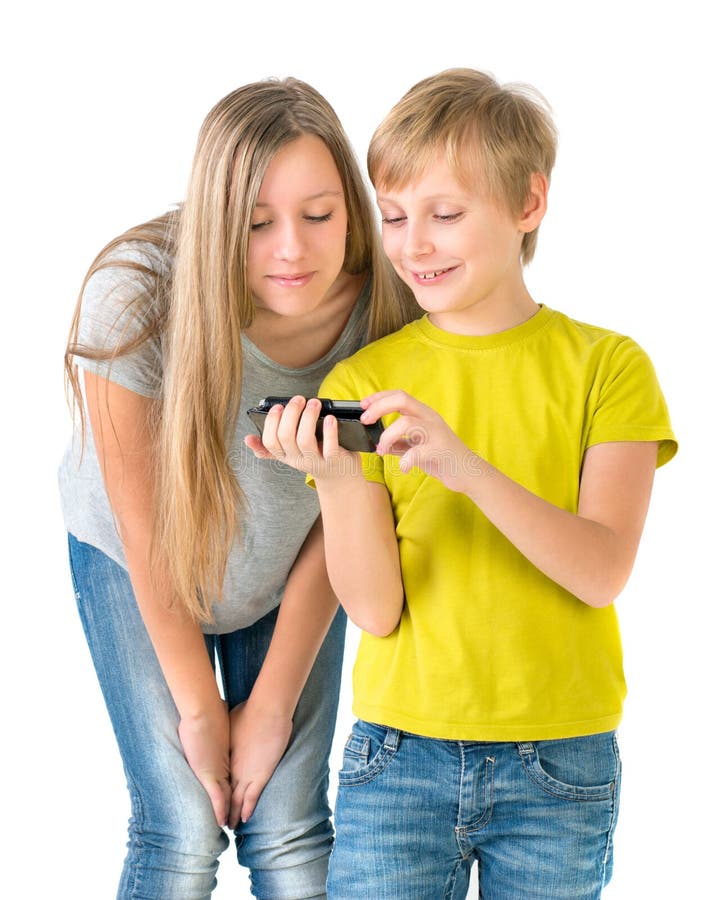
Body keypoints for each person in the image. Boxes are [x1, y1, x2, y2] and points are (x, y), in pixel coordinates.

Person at [247, 69, 677, 899]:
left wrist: (462, 466)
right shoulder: (371, 375)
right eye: (396, 216)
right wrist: (338, 481)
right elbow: (375, 611)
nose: (413, 246)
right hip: (397, 757)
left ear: (528, 203)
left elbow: (601, 570)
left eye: (445, 215)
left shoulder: (609, 368)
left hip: (562, 761)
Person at [59, 76, 419, 900]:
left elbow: (359, 509)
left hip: (294, 563)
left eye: (319, 215)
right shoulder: (137, 294)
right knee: (181, 827)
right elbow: (144, 527)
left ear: (354, 210)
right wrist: (198, 709)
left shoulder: (390, 312)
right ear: (218, 219)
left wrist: (269, 706)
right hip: (140, 558)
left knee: (287, 818)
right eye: (258, 224)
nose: (291, 248)